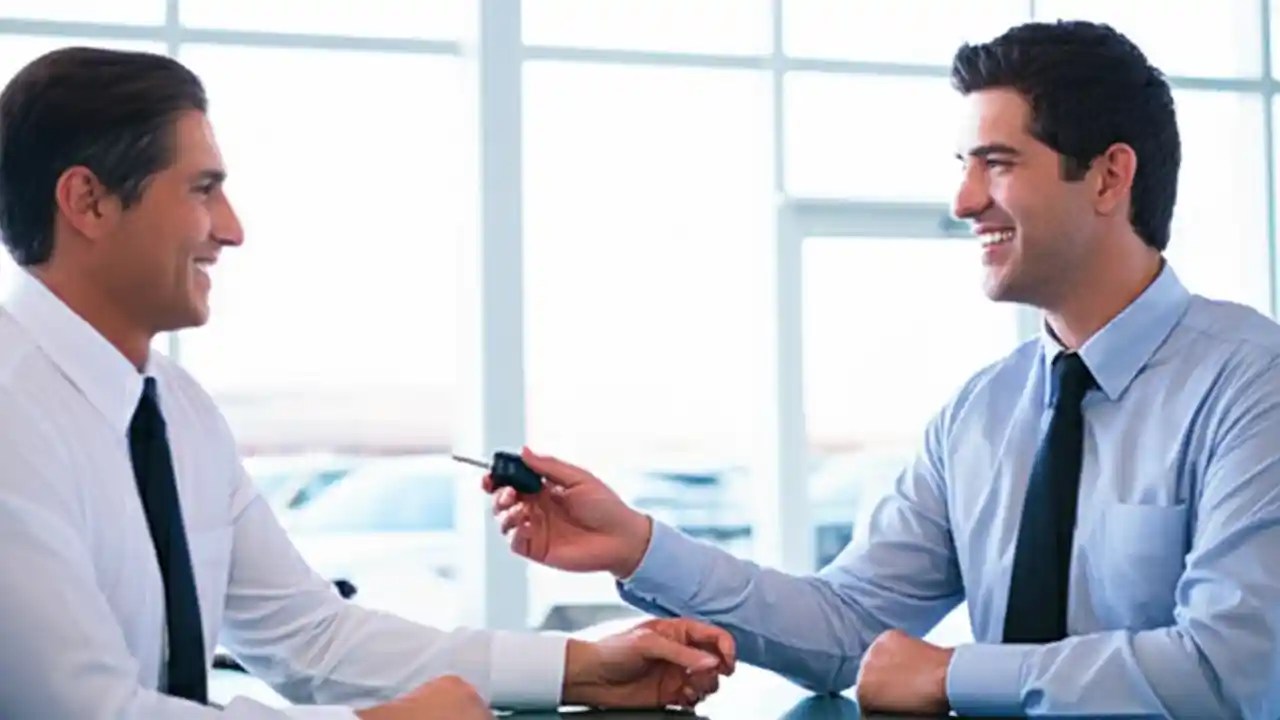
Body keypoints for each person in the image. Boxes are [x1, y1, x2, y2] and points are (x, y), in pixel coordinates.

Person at [484, 20, 1280, 719]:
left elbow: (1231, 670)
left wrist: (953, 675)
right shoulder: (982, 414)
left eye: (997, 163)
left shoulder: (1253, 385)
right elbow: (846, 630)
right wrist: (635, 545)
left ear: (1108, 176)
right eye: (964, 165)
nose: (964, 200)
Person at [0, 46, 735, 720]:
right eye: (203, 190)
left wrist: (583, 669)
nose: (231, 229)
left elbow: (312, 638)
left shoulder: (177, 412)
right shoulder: (12, 415)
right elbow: (79, 710)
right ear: (89, 202)